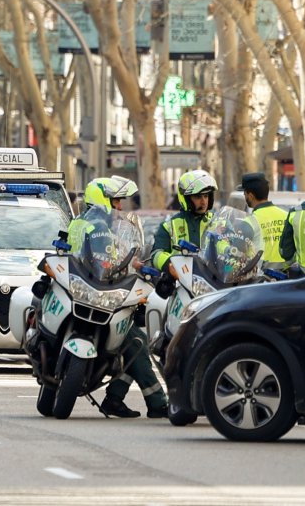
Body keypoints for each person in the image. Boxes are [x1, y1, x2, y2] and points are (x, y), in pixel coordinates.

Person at [68, 177, 168, 420]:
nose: (120, 207)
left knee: (132, 340)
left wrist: (139, 265)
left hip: (83, 292)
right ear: (102, 200)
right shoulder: (99, 228)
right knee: (135, 340)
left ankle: (115, 399)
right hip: (97, 294)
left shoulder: (78, 223)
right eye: (115, 201)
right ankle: (156, 402)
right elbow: (108, 259)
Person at [151, 170, 218, 271]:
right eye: (198, 196)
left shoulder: (219, 222)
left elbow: (230, 248)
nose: (203, 201)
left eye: (206, 196)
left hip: (215, 280)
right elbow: (156, 255)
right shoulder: (168, 226)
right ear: (186, 198)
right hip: (180, 281)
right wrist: (170, 264)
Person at [238, 172, 288, 269]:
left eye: (245, 193)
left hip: (260, 280)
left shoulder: (249, 222)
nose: (245, 196)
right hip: (287, 278)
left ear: (251, 195)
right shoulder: (286, 216)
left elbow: (237, 256)